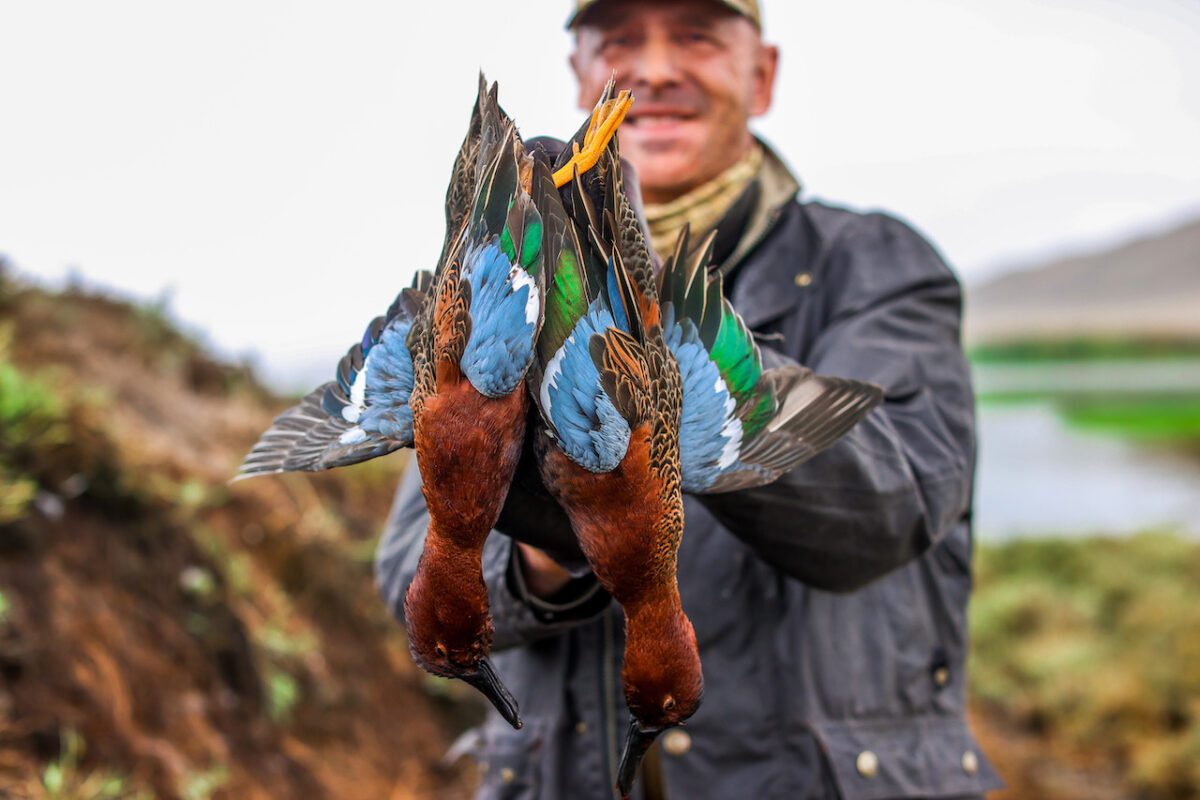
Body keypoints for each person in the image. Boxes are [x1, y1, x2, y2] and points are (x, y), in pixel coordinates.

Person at [376, 0, 1002, 797]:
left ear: (762, 75)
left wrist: (644, 345)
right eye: (621, 39)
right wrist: (545, 539)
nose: (658, 68)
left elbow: (888, 507)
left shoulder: (875, 267)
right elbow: (412, 569)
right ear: (582, 73)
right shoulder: (511, 278)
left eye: (698, 36)